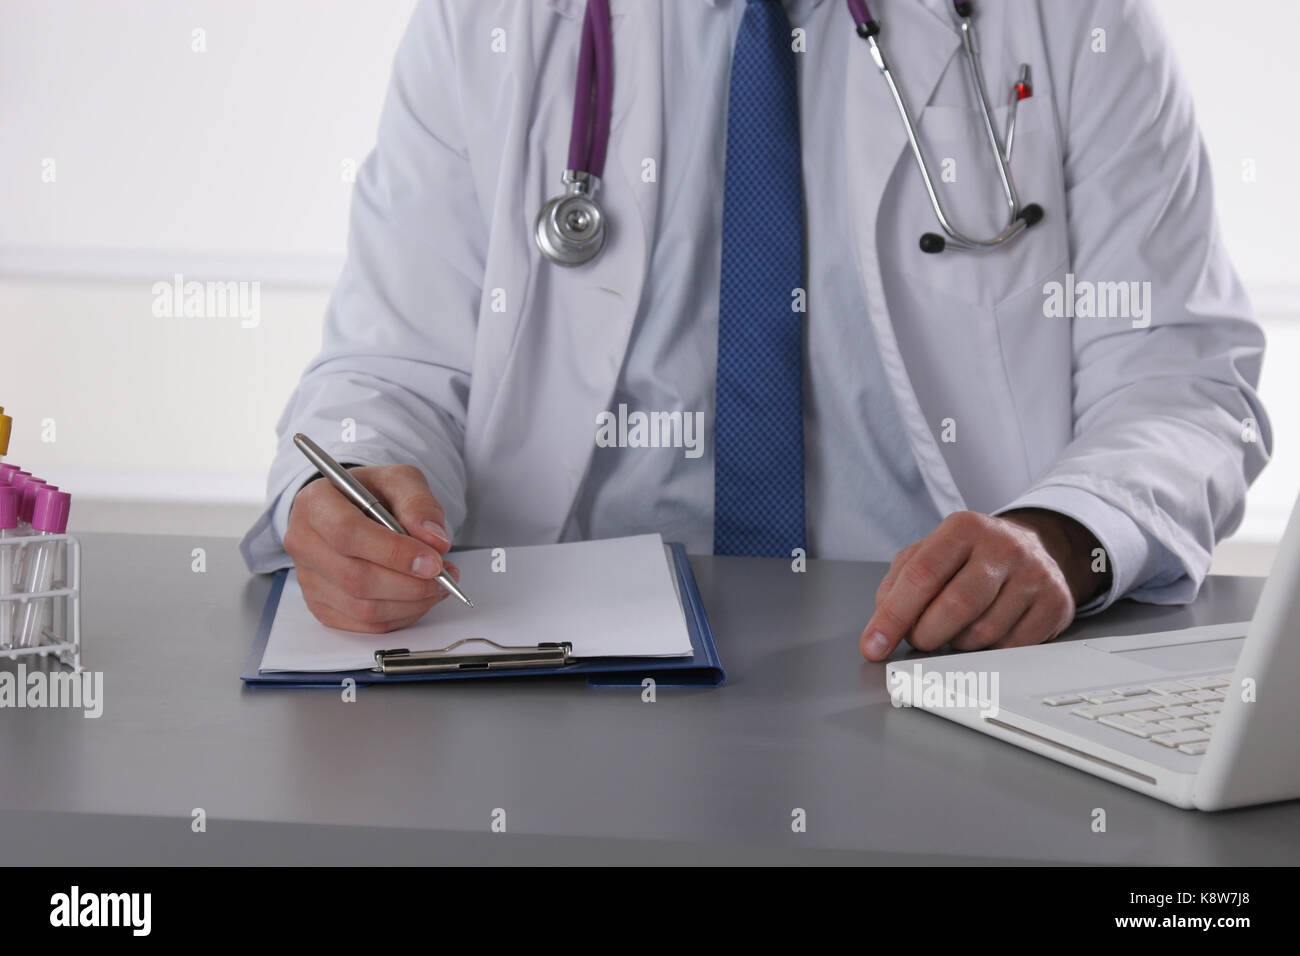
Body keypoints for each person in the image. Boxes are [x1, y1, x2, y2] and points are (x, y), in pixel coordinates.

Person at [240, 0, 1270, 662]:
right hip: (538, 658)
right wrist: (359, 484)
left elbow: (1180, 378)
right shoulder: (490, 24)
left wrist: (1064, 533)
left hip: (946, 662)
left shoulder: (1073, 20)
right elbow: (393, 367)